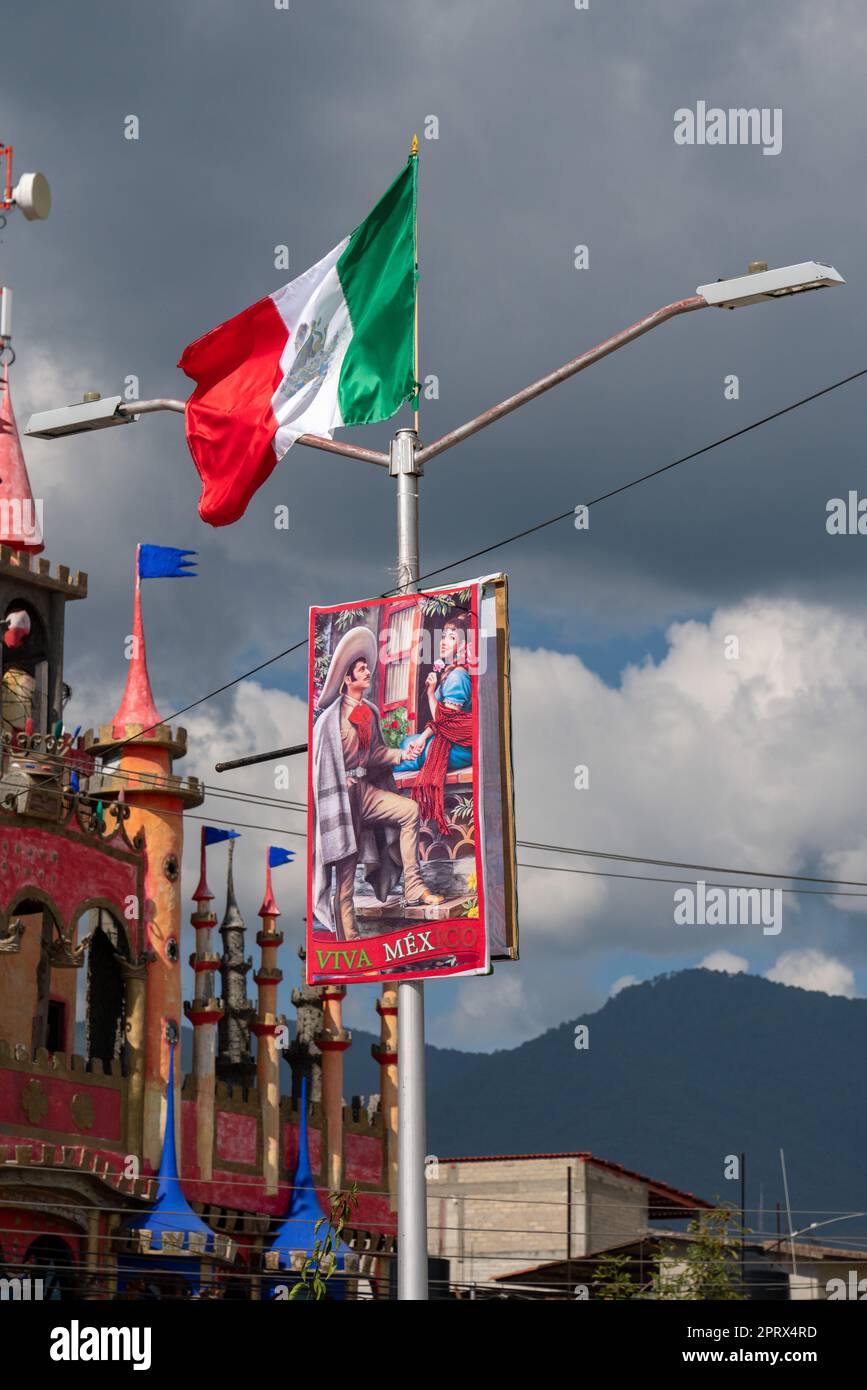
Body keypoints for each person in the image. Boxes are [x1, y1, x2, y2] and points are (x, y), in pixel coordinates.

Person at [312, 626, 443, 943]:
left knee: (409, 811)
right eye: (361, 668)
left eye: (366, 667)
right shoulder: (329, 721)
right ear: (347, 678)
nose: (368, 671)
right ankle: (350, 939)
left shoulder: (369, 712)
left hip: (364, 793)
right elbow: (321, 769)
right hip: (341, 801)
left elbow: (374, 755)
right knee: (345, 875)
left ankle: (413, 886)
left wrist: (402, 753)